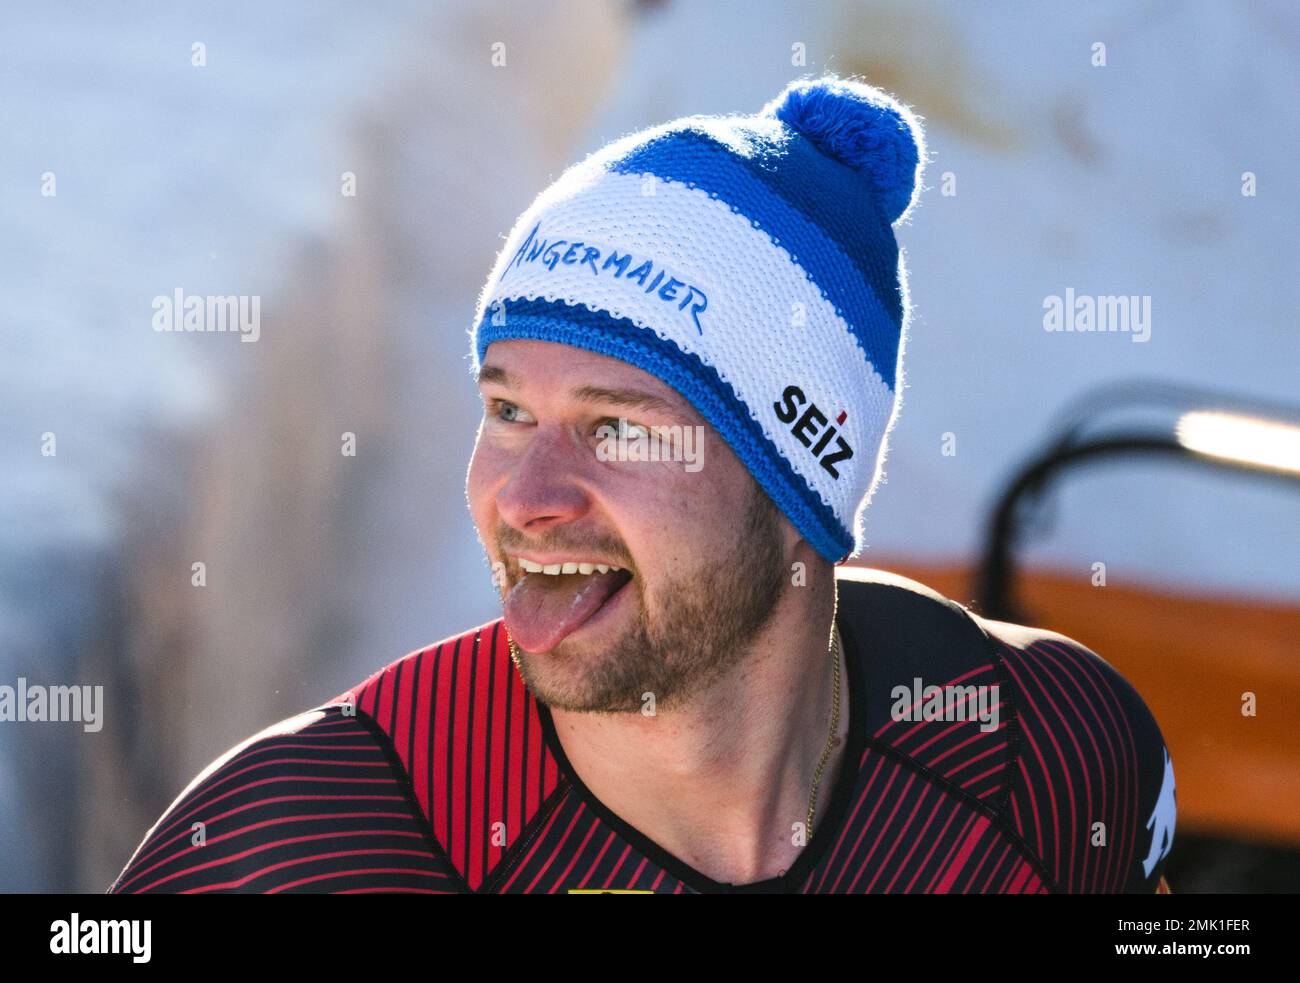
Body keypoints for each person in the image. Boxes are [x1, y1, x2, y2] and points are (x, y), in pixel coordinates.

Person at [110, 75, 1174, 894]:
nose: (525, 497)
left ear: (797, 475)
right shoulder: (298, 845)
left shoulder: (1046, 747)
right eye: (508, 410)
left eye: (615, 426)